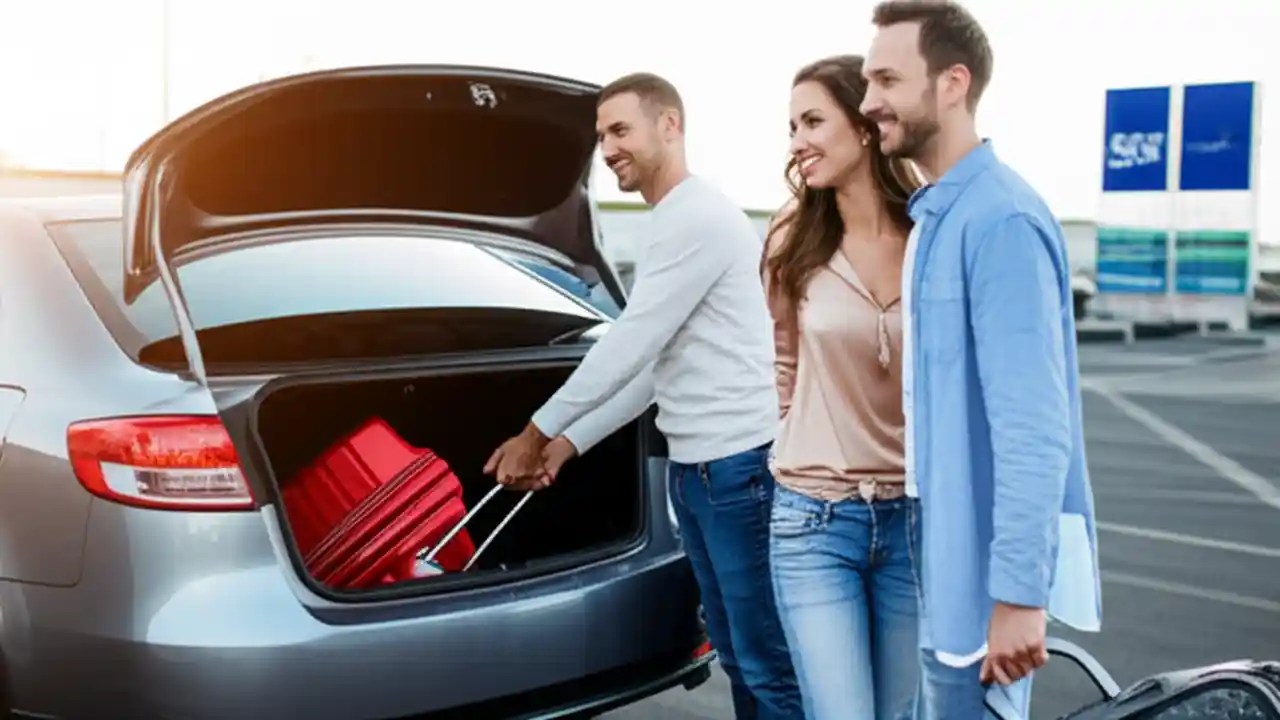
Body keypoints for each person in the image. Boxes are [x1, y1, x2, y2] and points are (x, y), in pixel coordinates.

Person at [482, 72, 803, 720]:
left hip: (737, 474)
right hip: (702, 476)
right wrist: (571, 442)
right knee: (741, 658)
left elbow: (630, 342)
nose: (608, 148)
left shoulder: (697, 218)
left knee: (765, 665)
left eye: (621, 130)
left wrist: (535, 432)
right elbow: (660, 367)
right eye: (601, 135)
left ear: (670, 126)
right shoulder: (673, 223)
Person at [859, 2, 1103, 718]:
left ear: (952, 83)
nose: (869, 100)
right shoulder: (941, 214)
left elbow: (1035, 429)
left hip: (981, 602)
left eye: (886, 79)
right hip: (942, 575)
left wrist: (1021, 596)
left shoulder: (1001, 221)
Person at [760, 54, 924, 720]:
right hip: (814, 521)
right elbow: (782, 365)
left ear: (864, 126)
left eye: (812, 121)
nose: (796, 141)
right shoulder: (790, 237)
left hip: (916, 522)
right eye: (792, 125)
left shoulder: (932, 233)